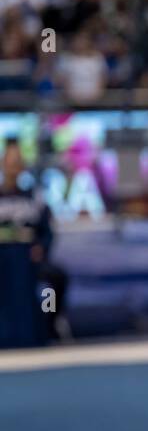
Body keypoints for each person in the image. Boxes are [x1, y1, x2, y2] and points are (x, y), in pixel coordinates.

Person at [0, 139, 67, 346]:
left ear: (23, 167)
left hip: (27, 260)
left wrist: (41, 248)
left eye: (17, 162)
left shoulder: (35, 198)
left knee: (54, 282)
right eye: (9, 162)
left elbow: (47, 233)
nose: (13, 167)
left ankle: (47, 328)